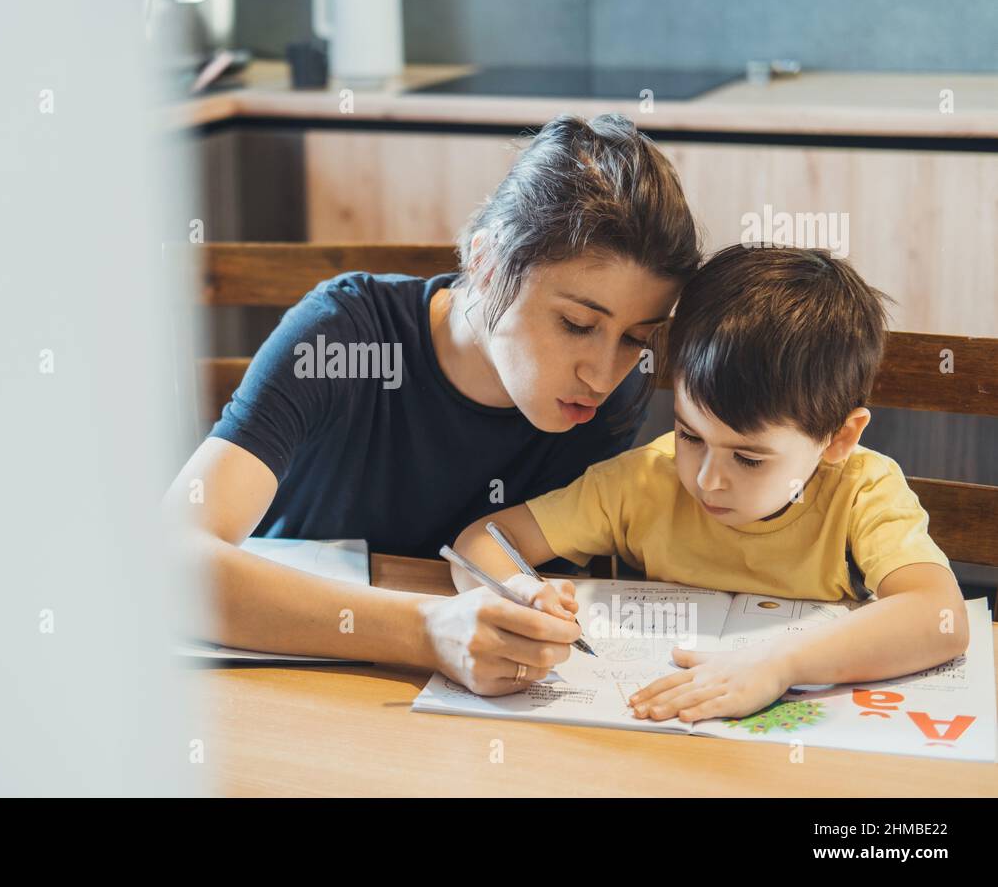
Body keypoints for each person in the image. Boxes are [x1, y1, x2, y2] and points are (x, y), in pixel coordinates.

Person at [166, 113, 700, 696]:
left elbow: (513, 561)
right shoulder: (341, 336)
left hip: (451, 708)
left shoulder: (612, 395)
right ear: (488, 266)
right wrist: (424, 632)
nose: (602, 374)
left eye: (635, 338)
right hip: (287, 676)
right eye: (576, 324)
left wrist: (525, 602)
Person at [451, 244, 969, 718]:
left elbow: (938, 614)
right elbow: (482, 541)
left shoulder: (861, 490)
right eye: (689, 435)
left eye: (748, 459)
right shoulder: (644, 481)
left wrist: (779, 664)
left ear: (837, 438)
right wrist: (519, 592)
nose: (706, 479)